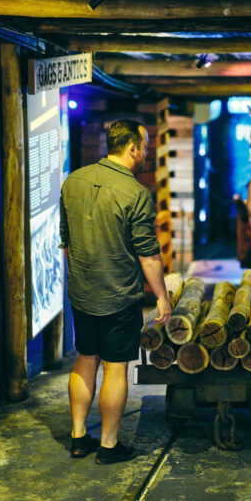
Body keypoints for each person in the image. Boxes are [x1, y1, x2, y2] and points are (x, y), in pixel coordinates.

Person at [60, 119, 172, 465]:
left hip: (81, 292)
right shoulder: (136, 193)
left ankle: (79, 436)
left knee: (85, 358)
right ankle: (109, 444)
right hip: (118, 296)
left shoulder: (73, 181)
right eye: (145, 146)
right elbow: (149, 256)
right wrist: (163, 299)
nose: (147, 153)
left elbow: (66, 242)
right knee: (115, 368)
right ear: (131, 149)